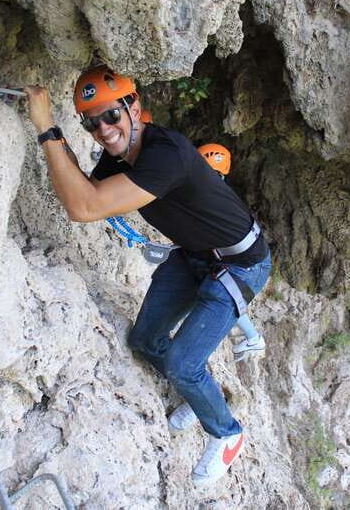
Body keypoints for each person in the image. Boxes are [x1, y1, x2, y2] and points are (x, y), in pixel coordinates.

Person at [24, 65, 271, 486]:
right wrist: (58, 137)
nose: (104, 130)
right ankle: (199, 395)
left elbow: (84, 207)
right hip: (194, 255)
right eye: (92, 123)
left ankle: (227, 433)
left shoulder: (165, 155)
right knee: (145, 340)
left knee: (181, 363)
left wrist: (45, 128)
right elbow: (82, 189)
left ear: (134, 108)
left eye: (111, 116)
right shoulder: (118, 159)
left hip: (240, 263)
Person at [197, 144, 266, 362]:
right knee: (230, 297)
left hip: (234, 259)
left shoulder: (212, 196)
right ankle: (252, 338)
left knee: (228, 296)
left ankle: (253, 338)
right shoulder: (222, 192)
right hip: (239, 256)